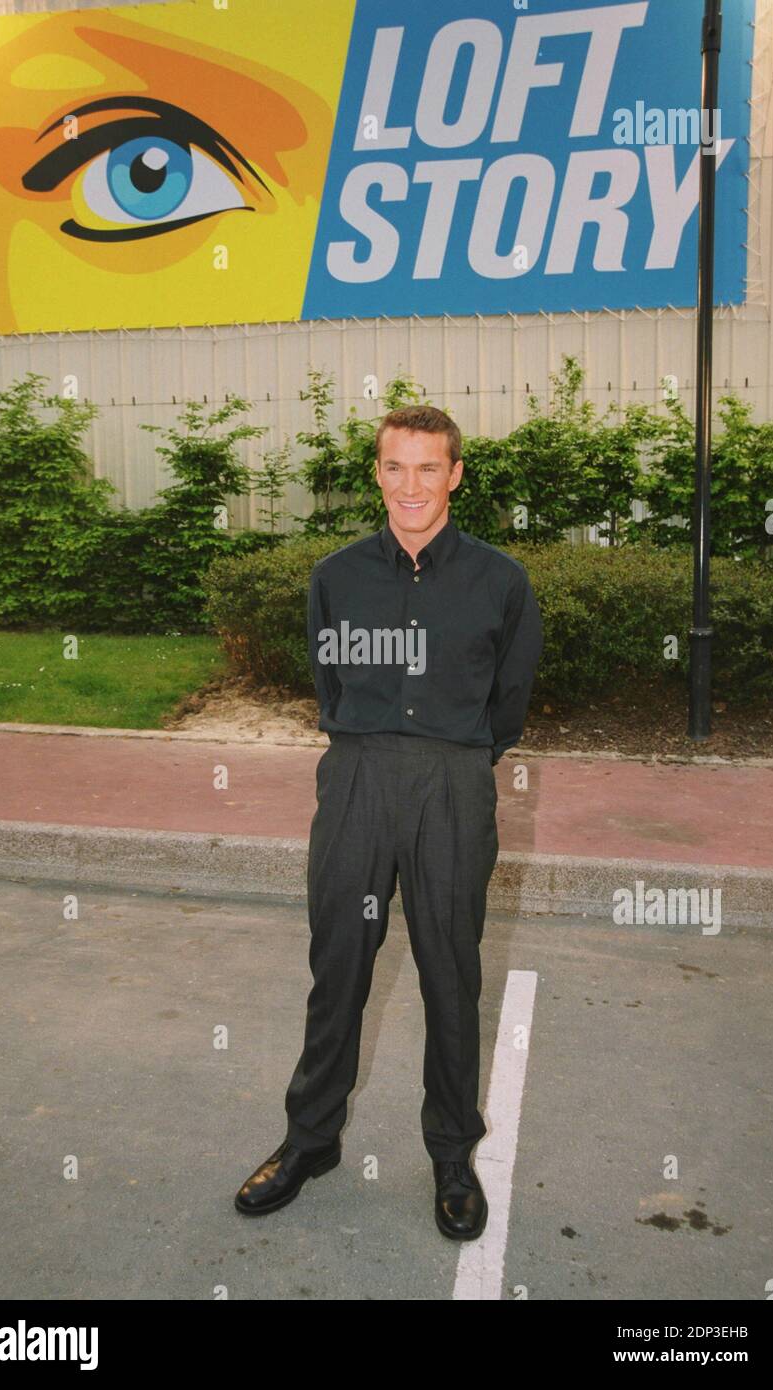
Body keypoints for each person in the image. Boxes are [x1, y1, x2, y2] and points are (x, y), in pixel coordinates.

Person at [235, 404, 543, 1239]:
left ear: (455, 476)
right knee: (337, 964)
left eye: (427, 468)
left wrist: (457, 762)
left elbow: (507, 702)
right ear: (378, 473)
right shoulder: (336, 577)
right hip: (357, 781)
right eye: (394, 467)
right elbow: (327, 685)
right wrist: (368, 752)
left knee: (451, 974)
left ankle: (451, 1156)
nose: (411, 485)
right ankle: (309, 1142)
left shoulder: (500, 581)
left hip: (451, 784)